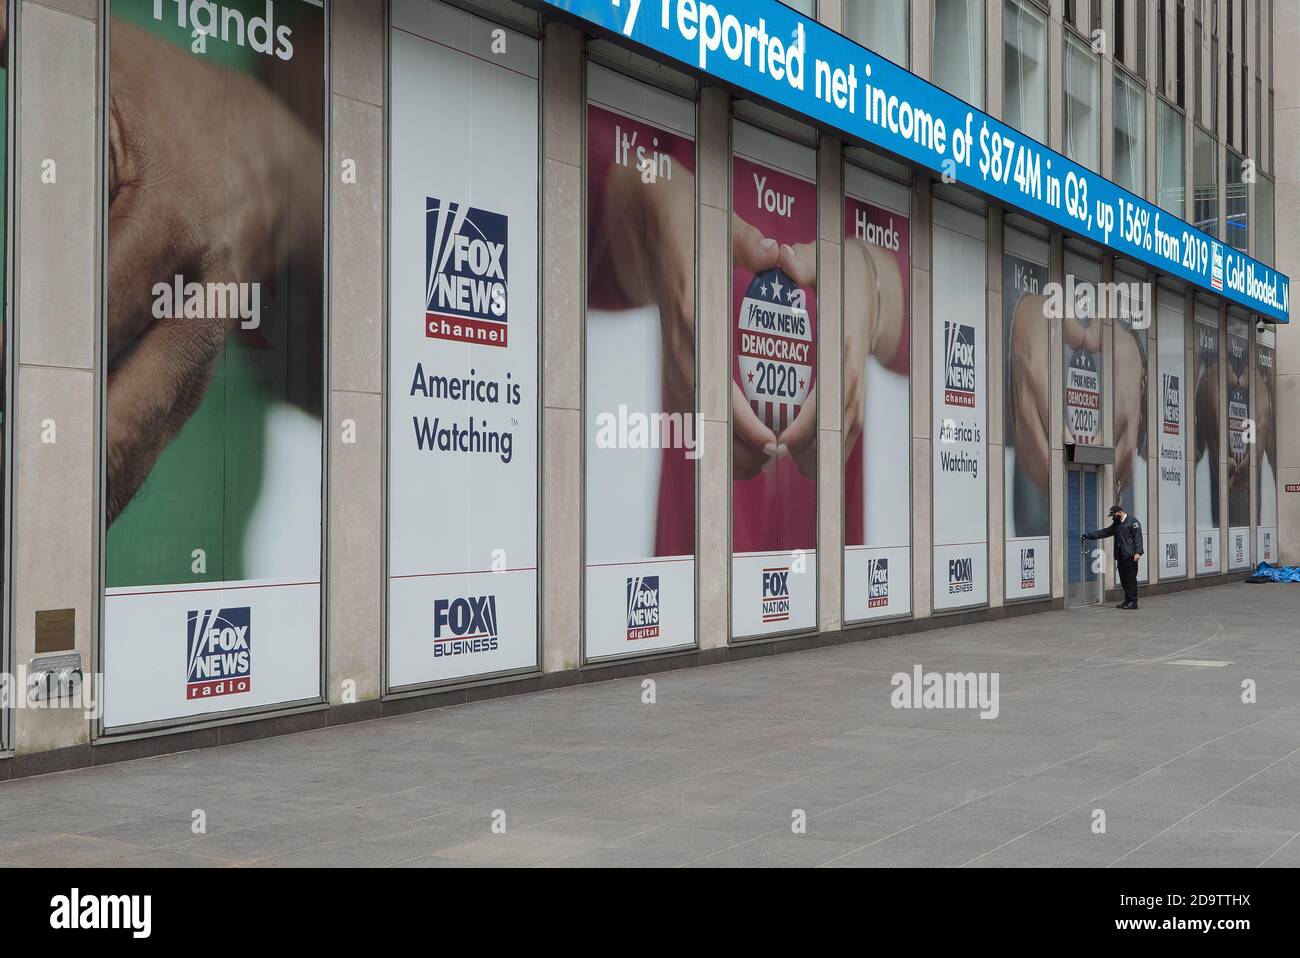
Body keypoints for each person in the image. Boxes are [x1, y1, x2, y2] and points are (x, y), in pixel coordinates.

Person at [1083, 504, 1145, 609]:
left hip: (1130, 556)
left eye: (1114, 515)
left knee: (1131, 579)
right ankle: (1127, 600)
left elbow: (1138, 538)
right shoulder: (1117, 524)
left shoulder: (1133, 522)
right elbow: (1105, 532)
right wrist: (1089, 535)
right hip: (1120, 556)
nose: (1112, 517)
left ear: (1120, 513)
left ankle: (1133, 602)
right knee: (1124, 580)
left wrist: (1138, 552)